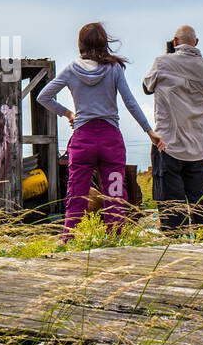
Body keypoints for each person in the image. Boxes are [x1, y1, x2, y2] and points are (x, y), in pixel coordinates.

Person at [38, 23, 164, 240]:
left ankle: (70, 239)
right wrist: (149, 131)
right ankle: (115, 238)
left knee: (76, 194)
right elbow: (130, 102)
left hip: (82, 140)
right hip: (110, 142)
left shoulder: (70, 69)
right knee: (115, 193)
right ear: (104, 42)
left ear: (81, 44)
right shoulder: (113, 69)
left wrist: (68, 113)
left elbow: (43, 97)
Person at [142, 25, 203, 233]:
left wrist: (168, 57)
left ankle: (174, 252)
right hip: (197, 148)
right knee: (200, 208)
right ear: (196, 42)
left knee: (171, 209)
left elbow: (146, 87)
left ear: (175, 42)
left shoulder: (162, 62)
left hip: (167, 145)